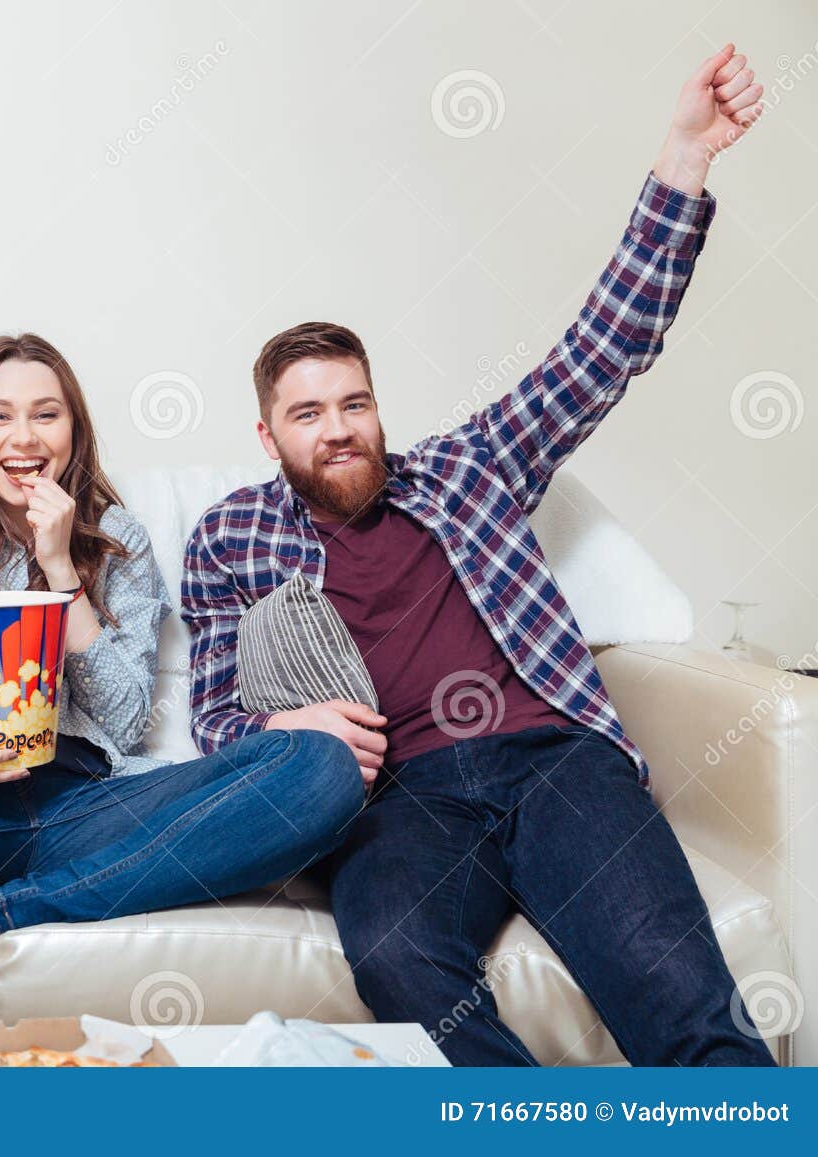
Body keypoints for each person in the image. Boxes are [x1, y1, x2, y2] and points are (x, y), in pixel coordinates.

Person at [182, 47, 774, 1065]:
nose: (338, 429)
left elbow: (603, 346)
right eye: (308, 413)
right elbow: (215, 713)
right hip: (397, 796)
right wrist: (291, 724)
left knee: (681, 999)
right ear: (268, 435)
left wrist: (683, 158)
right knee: (394, 951)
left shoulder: (472, 466)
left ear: (378, 410)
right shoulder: (231, 535)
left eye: (354, 403)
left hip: (554, 761)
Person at [0, 332, 365, 1028]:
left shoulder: (117, 541)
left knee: (321, 765)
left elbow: (128, 716)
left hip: (92, 802)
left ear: (73, 431)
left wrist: (63, 568)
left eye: (47, 413)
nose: (24, 436)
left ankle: (10, 910)